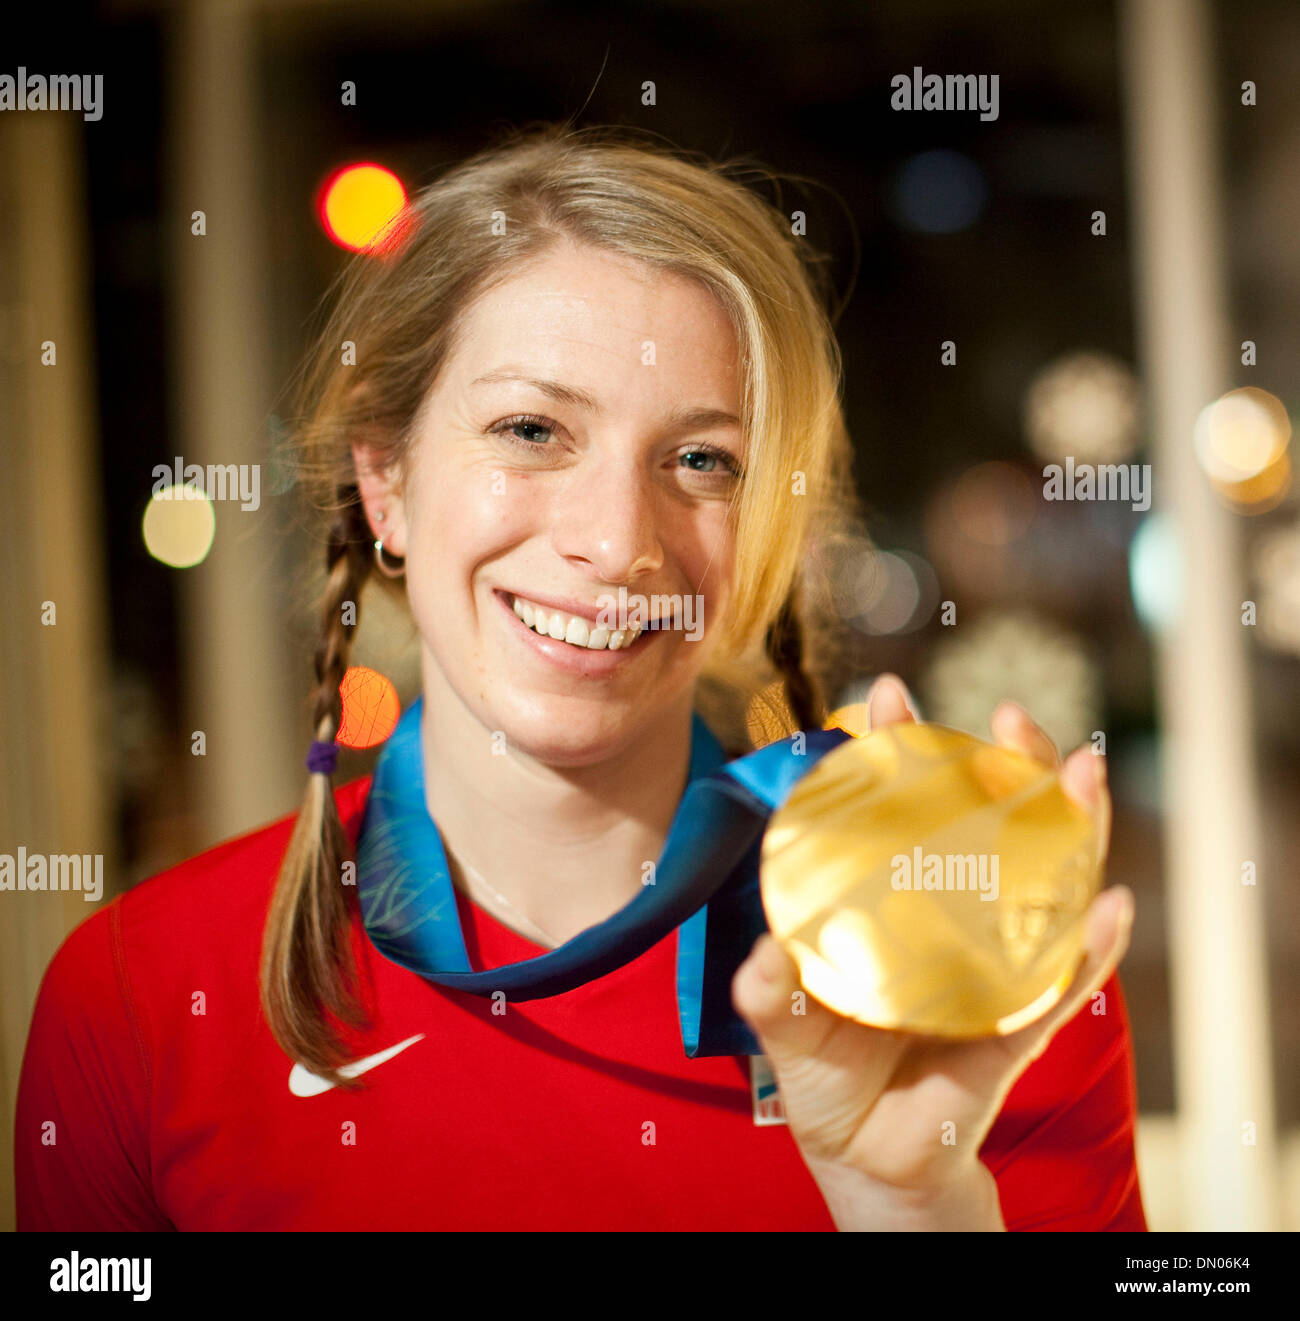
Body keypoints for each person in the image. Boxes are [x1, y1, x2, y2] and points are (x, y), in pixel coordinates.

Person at [15, 123, 1145, 1231]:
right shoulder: (139, 995)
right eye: (530, 429)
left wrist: (914, 1212)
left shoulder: (966, 955)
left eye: (702, 459)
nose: (615, 541)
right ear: (385, 480)